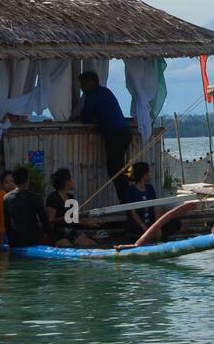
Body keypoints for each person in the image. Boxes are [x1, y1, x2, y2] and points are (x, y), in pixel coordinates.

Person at [76, 70, 132, 202]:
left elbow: (85, 117)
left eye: (83, 84)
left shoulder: (93, 95)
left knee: (114, 170)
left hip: (115, 135)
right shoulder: (105, 92)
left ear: (91, 82)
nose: (81, 87)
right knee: (122, 167)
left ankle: (126, 201)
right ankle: (128, 194)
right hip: (124, 132)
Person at [45, 168, 96, 247]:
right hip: (57, 233)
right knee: (68, 247)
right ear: (66, 182)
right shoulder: (53, 198)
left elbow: (75, 220)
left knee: (92, 245)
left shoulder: (71, 198)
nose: (73, 181)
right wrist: (66, 218)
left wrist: (88, 223)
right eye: (71, 179)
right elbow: (50, 220)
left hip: (71, 232)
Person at [2, 166, 51, 248]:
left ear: (14, 181)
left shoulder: (6, 198)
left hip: (16, 240)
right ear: (28, 180)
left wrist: (10, 242)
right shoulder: (36, 198)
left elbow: (7, 224)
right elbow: (45, 222)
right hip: (33, 239)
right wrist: (52, 241)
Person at [123, 161, 159, 242]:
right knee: (133, 228)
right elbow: (132, 212)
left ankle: (152, 234)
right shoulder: (131, 190)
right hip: (139, 223)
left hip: (151, 222)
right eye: (149, 172)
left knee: (175, 224)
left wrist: (157, 224)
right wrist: (143, 226)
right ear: (144, 174)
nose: (150, 174)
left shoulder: (150, 188)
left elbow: (156, 206)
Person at [0, 169, 15, 242]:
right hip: (5, 231)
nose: (10, 184)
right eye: (6, 182)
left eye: (12, 181)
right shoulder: (2, 194)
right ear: (2, 185)